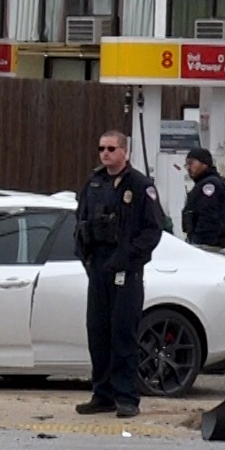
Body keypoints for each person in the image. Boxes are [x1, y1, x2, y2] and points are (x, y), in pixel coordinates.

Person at [73, 130, 166, 419]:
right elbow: (81, 221)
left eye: (111, 148)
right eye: (101, 148)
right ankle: (103, 395)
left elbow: (152, 230)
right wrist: (86, 257)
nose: (105, 153)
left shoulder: (139, 185)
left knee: (122, 335)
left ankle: (127, 398)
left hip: (126, 269)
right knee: (97, 333)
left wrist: (127, 258)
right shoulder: (94, 182)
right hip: (98, 267)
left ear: (124, 151)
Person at [180, 146, 225, 251]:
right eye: (187, 164)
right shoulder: (208, 183)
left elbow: (208, 214)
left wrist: (200, 241)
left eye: (192, 163)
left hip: (210, 246)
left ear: (204, 164)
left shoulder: (209, 185)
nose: (189, 168)